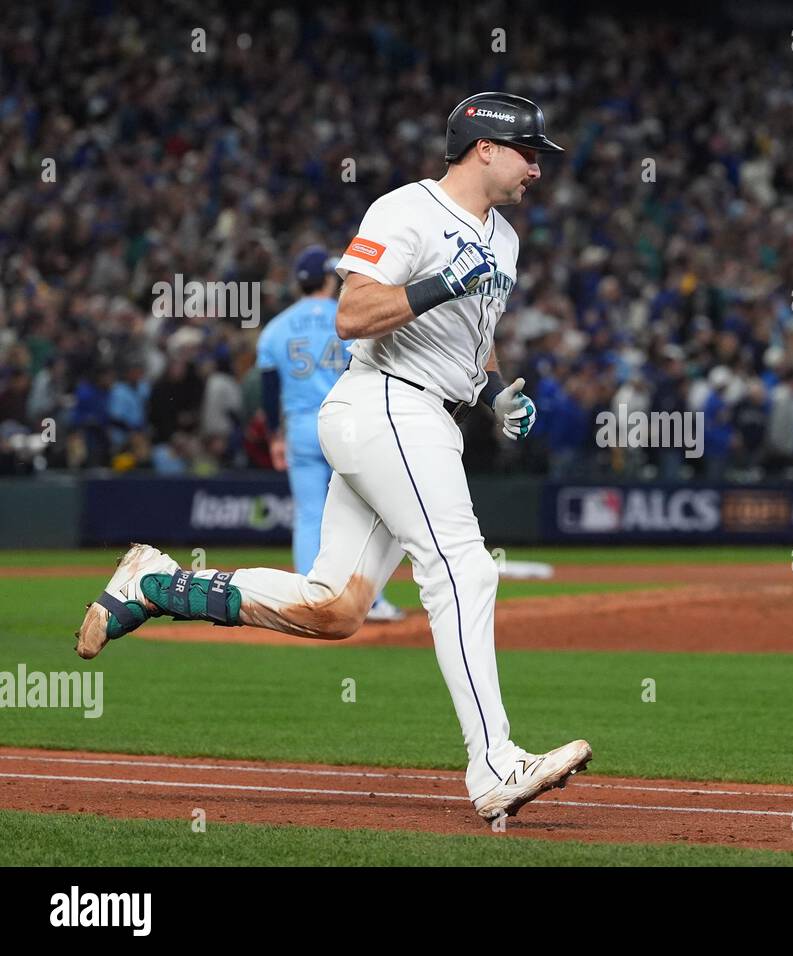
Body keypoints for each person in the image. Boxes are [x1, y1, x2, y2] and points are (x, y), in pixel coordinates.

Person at [75, 92, 590, 822]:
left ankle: (159, 585)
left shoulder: (503, 238)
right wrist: (442, 281)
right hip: (385, 401)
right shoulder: (404, 211)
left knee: (336, 608)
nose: (538, 167)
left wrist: (496, 392)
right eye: (528, 151)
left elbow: (471, 335)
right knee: (462, 566)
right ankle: (494, 764)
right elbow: (352, 313)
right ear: (483, 148)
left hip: (428, 415)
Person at [256, 246, 404, 622]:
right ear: (327, 279)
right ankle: (371, 601)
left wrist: (275, 437)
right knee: (367, 512)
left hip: (301, 428)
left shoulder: (275, 329)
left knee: (308, 515)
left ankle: (311, 599)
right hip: (349, 421)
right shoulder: (351, 315)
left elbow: (269, 393)